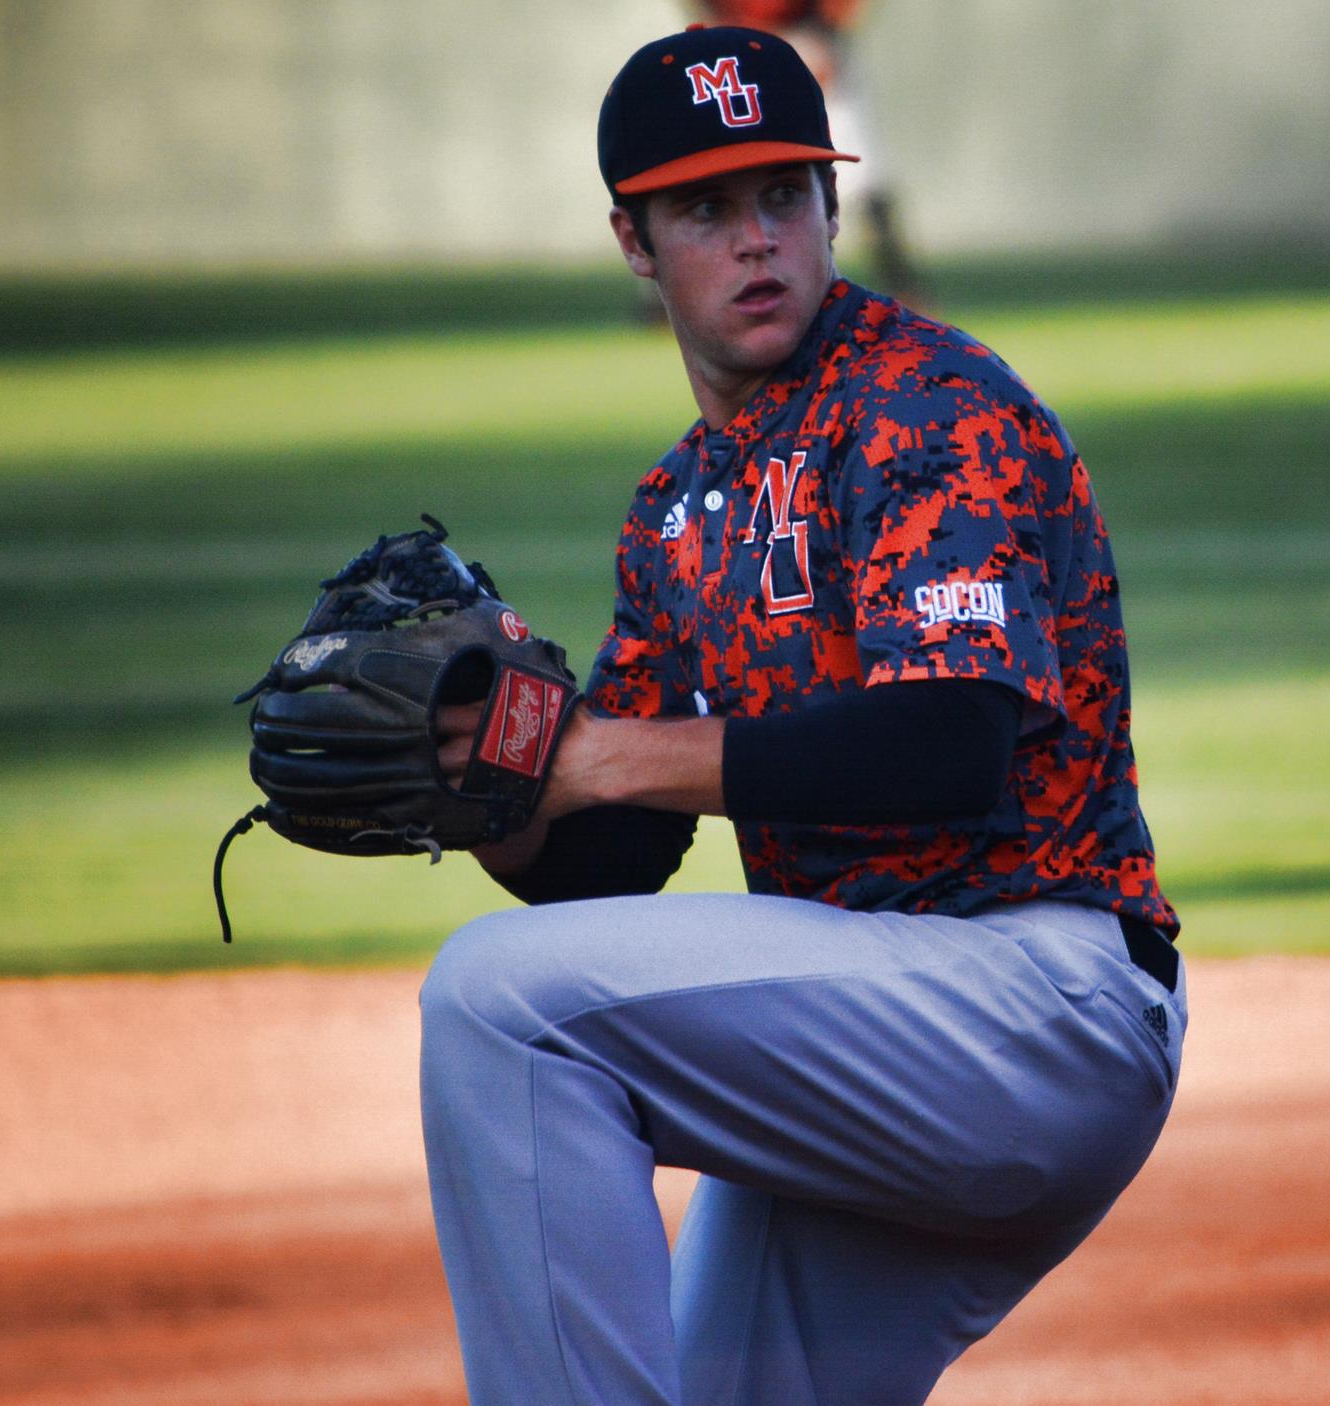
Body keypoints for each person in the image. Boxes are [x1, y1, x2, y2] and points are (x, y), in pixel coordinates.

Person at [419, 25, 1180, 1403]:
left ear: (833, 205)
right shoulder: (675, 507)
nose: (756, 238)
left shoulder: (926, 404)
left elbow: (945, 744)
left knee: (496, 1004)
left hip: (1033, 1003)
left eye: (783, 194)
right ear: (635, 244)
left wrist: (599, 753)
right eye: (705, 209)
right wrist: (483, 785)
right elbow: (611, 855)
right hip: (874, 1043)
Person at [688, 0, 926, 305]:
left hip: (812, 41)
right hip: (737, 53)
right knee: (708, 169)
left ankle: (902, 286)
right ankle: (673, 295)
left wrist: (827, 39)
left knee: (861, 172)